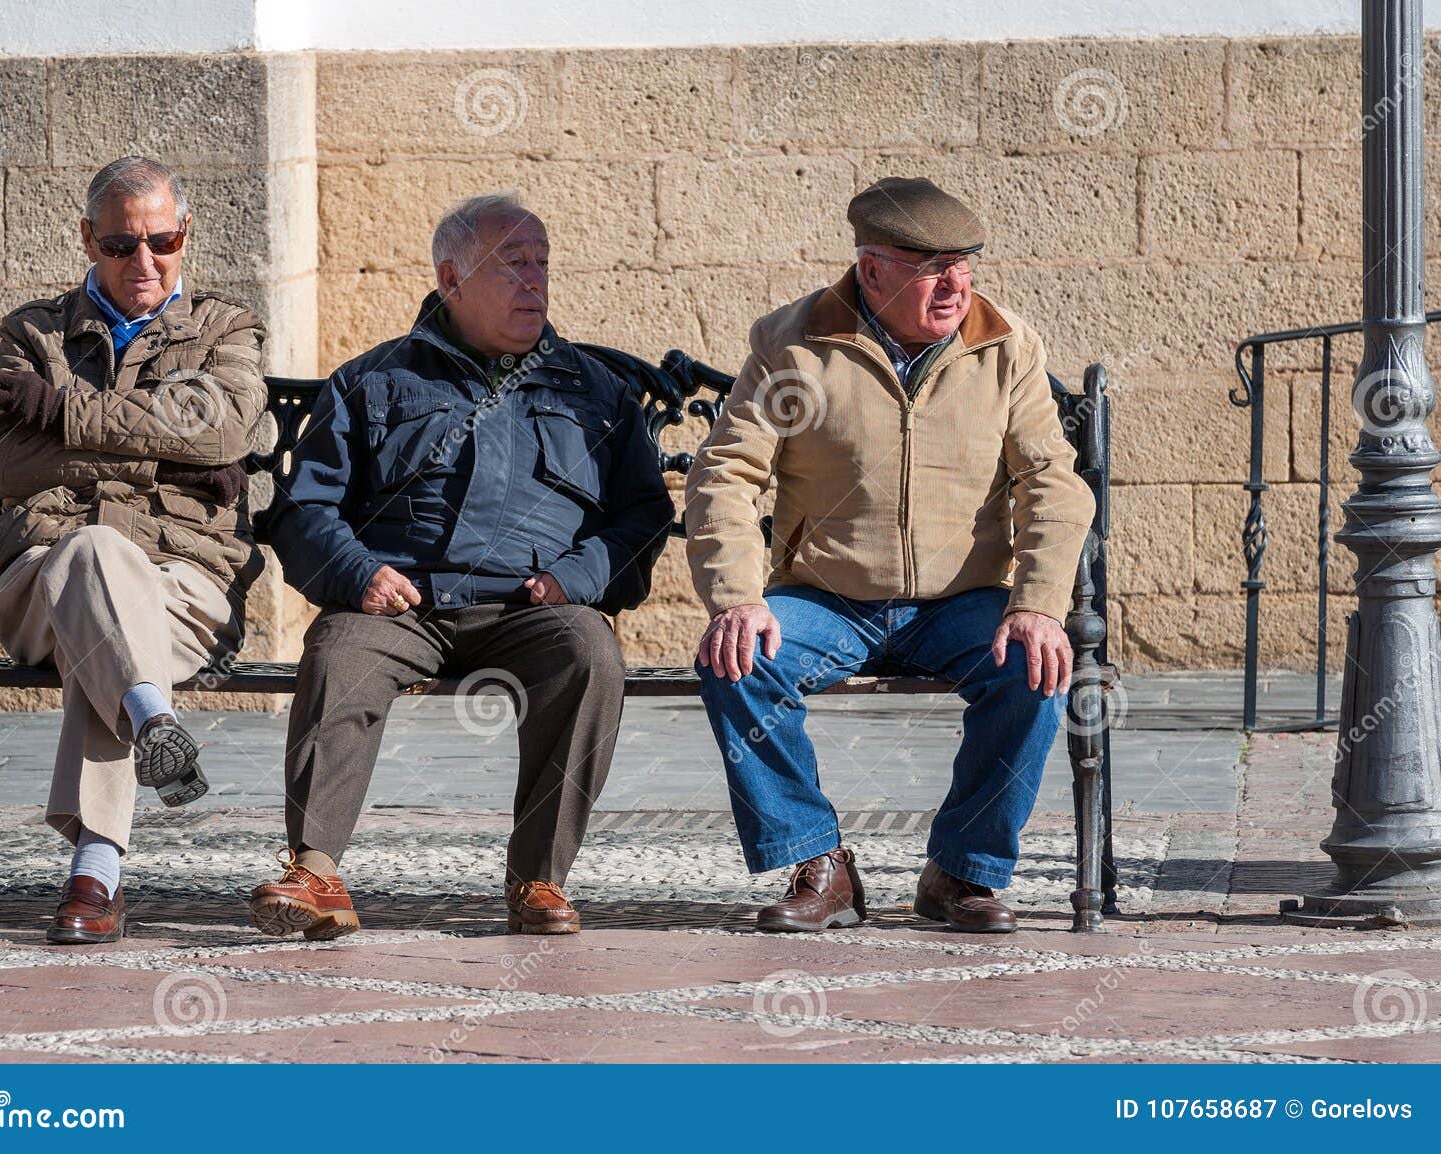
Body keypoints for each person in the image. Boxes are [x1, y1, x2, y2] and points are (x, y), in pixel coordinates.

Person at [249, 192, 674, 939]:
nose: (535, 282)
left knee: (590, 653)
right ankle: (315, 871)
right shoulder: (375, 381)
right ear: (450, 279)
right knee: (338, 650)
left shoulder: (594, 391)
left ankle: (538, 878)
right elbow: (305, 510)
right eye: (513, 265)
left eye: (543, 264)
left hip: (534, 608)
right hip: (400, 605)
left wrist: (577, 578)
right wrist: (358, 575)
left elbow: (642, 513)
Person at [685, 177, 1095, 934]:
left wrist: (1038, 604)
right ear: (872, 269)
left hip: (963, 598)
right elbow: (727, 474)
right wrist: (738, 597)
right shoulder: (793, 343)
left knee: (1035, 672)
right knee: (734, 658)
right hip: (827, 596)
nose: (955, 284)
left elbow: (1052, 484)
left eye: (964, 264)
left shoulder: (1006, 348)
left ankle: (962, 872)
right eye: (930, 266)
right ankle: (819, 862)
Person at [0, 156, 267, 944]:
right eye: (120, 245)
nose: (144, 262)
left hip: (182, 581)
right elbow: (8, 466)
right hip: (40, 570)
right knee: (91, 556)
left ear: (185, 233)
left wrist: (63, 412)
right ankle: (151, 724)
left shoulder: (224, 329)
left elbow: (225, 428)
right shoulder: (30, 335)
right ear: (87, 241)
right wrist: (170, 457)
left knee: (102, 629)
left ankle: (96, 872)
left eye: (162, 241)